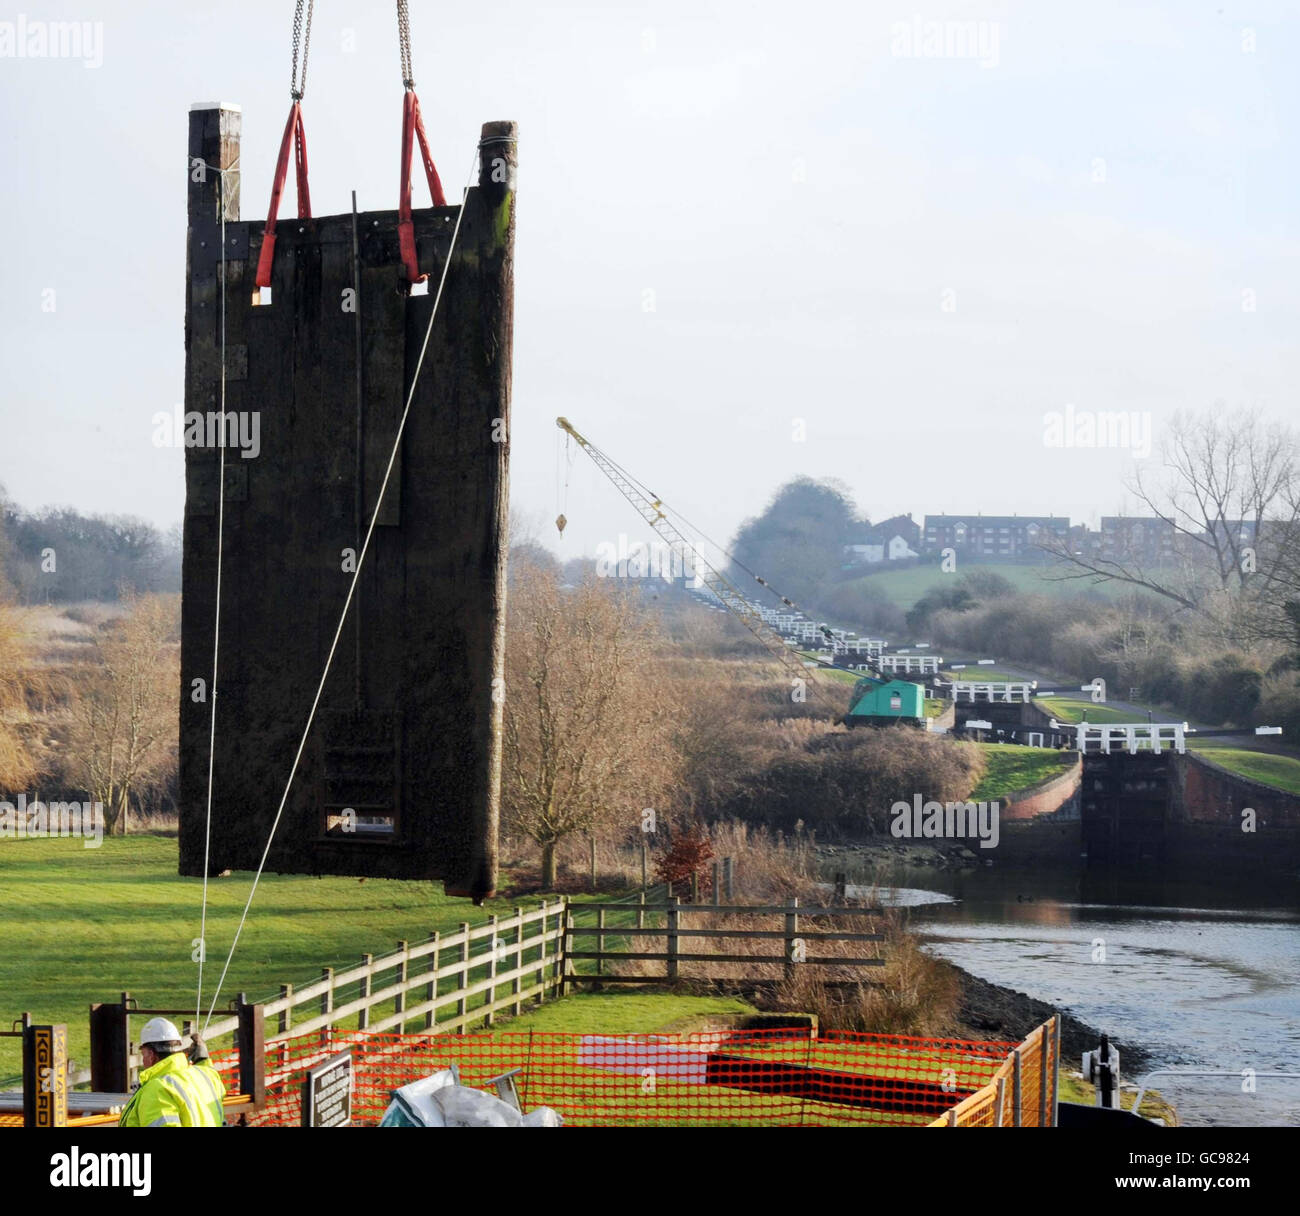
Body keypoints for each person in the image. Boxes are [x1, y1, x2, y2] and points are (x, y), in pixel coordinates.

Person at [118, 1018, 226, 1127]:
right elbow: (212, 1077)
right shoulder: (204, 1075)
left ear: (151, 1055)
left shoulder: (157, 1089)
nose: (143, 1060)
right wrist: (203, 1060)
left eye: (143, 1054)